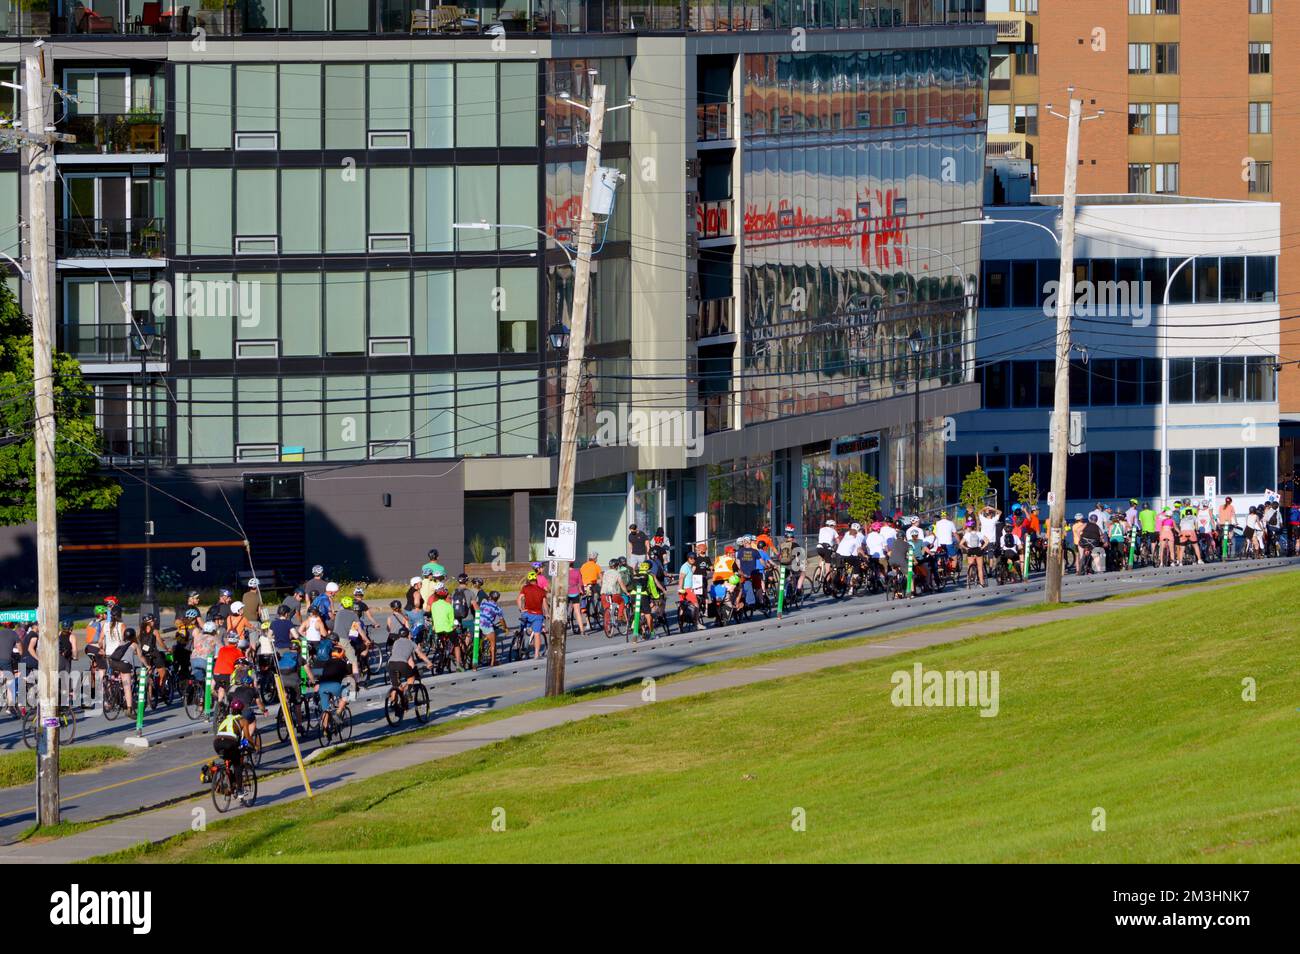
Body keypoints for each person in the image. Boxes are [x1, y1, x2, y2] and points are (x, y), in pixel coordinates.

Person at [213, 698, 253, 802]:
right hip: (230, 743)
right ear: (241, 710)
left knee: (228, 760)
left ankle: (226, 778)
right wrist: (255, 746)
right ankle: (239, 791)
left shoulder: (226, 719)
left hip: (217, 743)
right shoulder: (243, 720)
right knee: (237, 765)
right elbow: (247, 737)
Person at [386, 627, 433, 710]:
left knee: (396, 686)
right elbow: (420, 654)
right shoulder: (411, 643)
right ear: (408, 635)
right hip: (401, 664)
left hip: (390, 664)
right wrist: (428, 662)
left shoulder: (396, 642)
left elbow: (398, 654)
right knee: (411, 677)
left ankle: (394, 703)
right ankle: (408, 691)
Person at [516, 571, 548, 659]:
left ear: (528, 580)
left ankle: (519, 641)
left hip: (526, 613)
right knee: (537, 633)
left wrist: (521, 609)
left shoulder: (525, 588)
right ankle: (536, 655)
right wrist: (547, 613)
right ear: (536, 580)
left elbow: (519, 599)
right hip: (538, 614)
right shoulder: (542, 591)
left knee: (524, 628)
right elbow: (545, 604)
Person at [429, 588, 458, 668]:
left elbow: (433, 617)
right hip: (448, 629)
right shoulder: (449, 606)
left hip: (438, 629)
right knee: (456, 644)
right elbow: (452, 621)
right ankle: (459, 665)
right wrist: (454, 626)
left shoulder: (434, 605)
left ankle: (441, 658)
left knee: (442, 644)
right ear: (445, 596)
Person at [477, 591, 504, 667]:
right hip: (486, 625)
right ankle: (493, 662)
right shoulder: (497, 608)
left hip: (478, 623)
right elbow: (502, 620)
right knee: (493, 643)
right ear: (497, 598)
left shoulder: (483, 603)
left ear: (489, 597)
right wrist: (505, 628)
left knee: (480, 639)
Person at [959, 520, 987, 587]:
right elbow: (987, 541)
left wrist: (966, 548)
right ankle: (981, 583)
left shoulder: (967, 534)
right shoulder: (979, 533)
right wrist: (982, 547)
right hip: (978, 550)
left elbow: (960, 543)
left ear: (969, 527)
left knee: (970, 567)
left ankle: (968, 582)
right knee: (980, 568)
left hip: (970, 550)